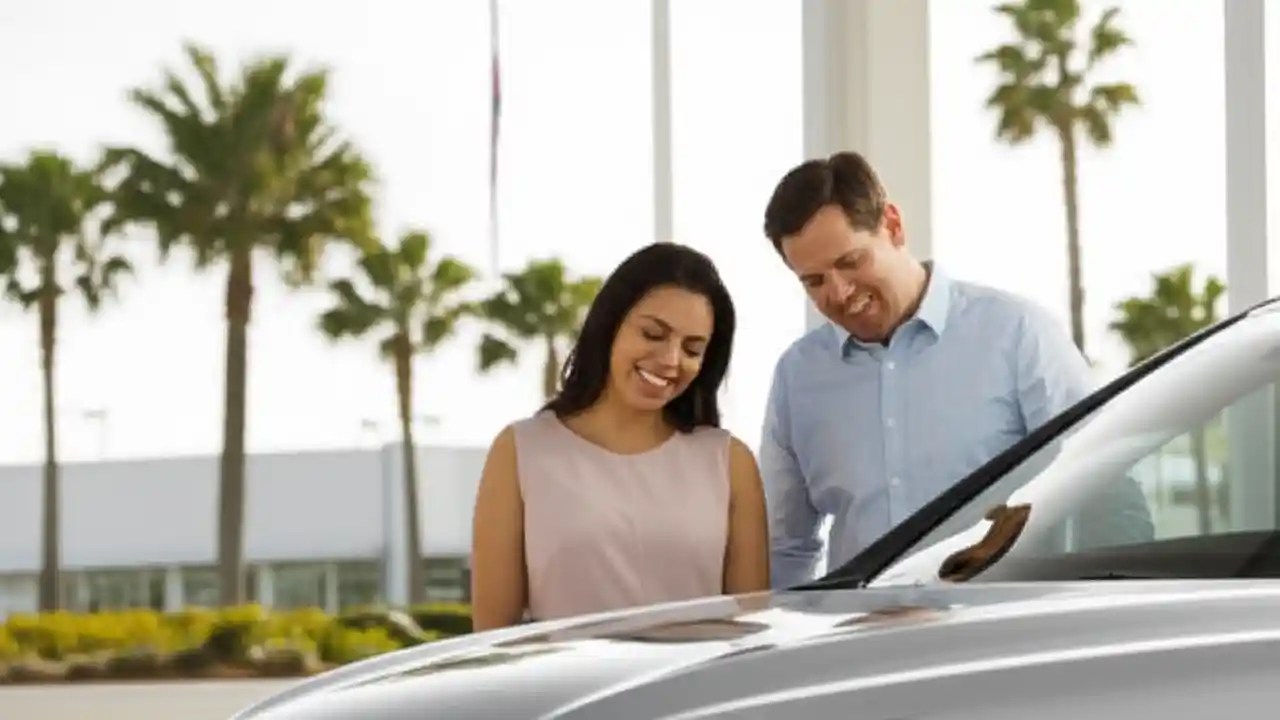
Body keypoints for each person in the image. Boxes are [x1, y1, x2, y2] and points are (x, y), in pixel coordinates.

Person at [759, 150, 1109, 589]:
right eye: (814, 281)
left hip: (1002, 636)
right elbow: (785, 546)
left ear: (893, 225)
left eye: (850, 262)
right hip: (860, 645)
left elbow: (1106, 494)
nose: (840, 292)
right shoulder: (798, 377)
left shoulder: (1018, 334)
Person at [470, 241, 771, 631]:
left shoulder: (730, 463)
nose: (670, 360)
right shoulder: (521, 452)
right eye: (653, 334)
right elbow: (492, 637)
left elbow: (749, 636)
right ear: (611, 324)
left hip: (697, 690)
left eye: (692, 349)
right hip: (568, 690)